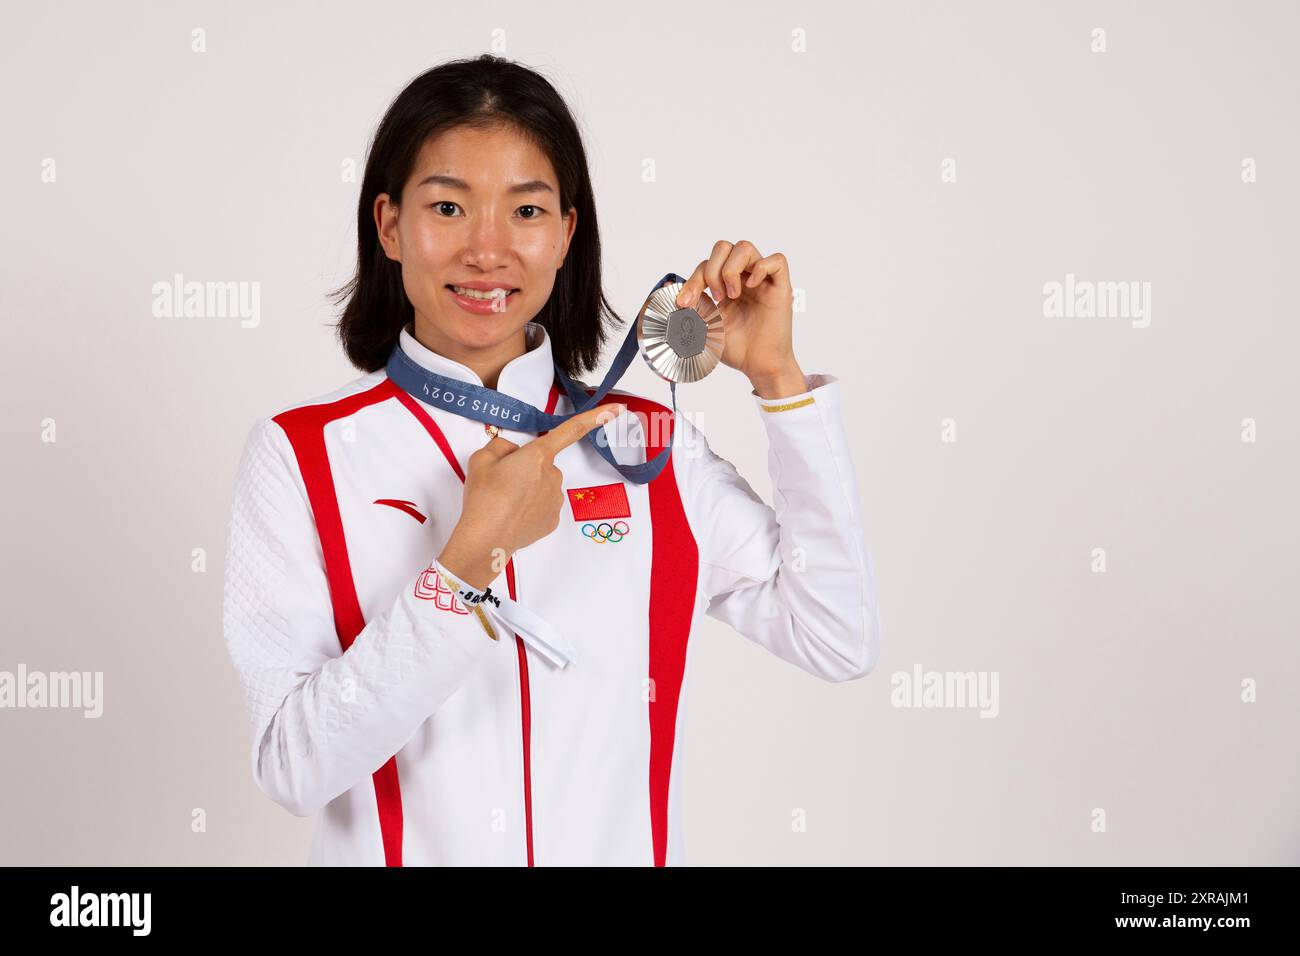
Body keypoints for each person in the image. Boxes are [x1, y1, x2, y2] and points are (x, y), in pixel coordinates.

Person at [221, 53, 881, 867]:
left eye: (526, 210)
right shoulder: (302, 456)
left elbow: (835, 636)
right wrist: (465, 567)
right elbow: (295, 766)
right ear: (390, 225)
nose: (488, 250)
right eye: (450, 207)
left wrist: (780, 383)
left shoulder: (646, 444)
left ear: (567, 233)